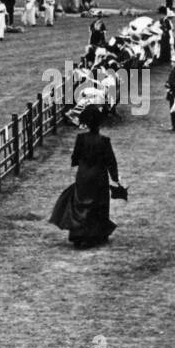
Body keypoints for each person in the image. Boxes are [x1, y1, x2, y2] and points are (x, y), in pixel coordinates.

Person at [48, 106, 123, 248]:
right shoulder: (104, 141)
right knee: (98, 204)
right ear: (99, 124)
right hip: (99, 175)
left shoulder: (80, 139)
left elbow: (74, 159)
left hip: (83, 175)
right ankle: (96, 235)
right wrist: (115, 179)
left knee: (80, 203)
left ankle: (78, 234)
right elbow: (111, 162)